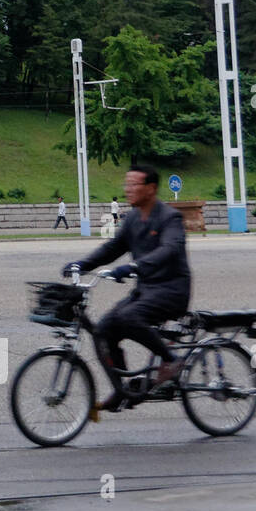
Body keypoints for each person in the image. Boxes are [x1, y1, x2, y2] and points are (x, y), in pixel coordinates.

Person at [63, 164, 192, 414]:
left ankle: (171, 360)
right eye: (127, 184)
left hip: (172, 291)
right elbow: (113, 248)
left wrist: (133, 267)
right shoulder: (132, 218)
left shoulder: (170, 217)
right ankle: (122, 390)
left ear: (151, 189)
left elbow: (169, 250)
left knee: (128, 317)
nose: (128, 189)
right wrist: (82, 264)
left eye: (134, 185)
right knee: (104, 330)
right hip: (146, 290)